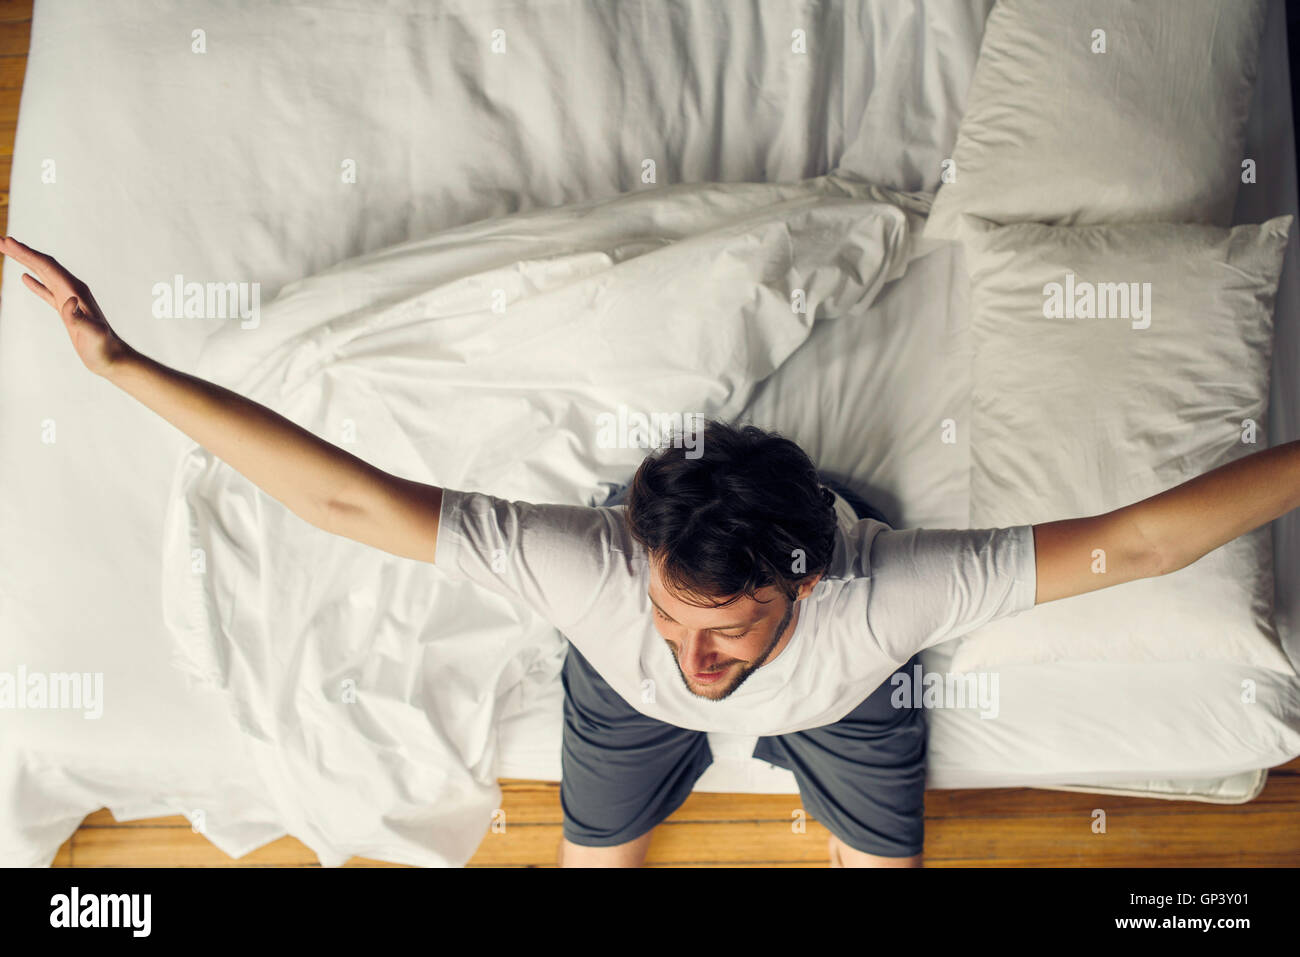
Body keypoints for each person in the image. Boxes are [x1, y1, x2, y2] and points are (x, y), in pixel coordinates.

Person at [8, 235, 1299, 868]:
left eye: (723, 629)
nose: (696, 653)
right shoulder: (591, 571)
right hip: (606, 700)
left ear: (805, 579)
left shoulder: (890, 588)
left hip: (850, 703)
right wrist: (121, 364)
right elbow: (348, 502)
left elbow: (1138, 542)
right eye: (676, 615)